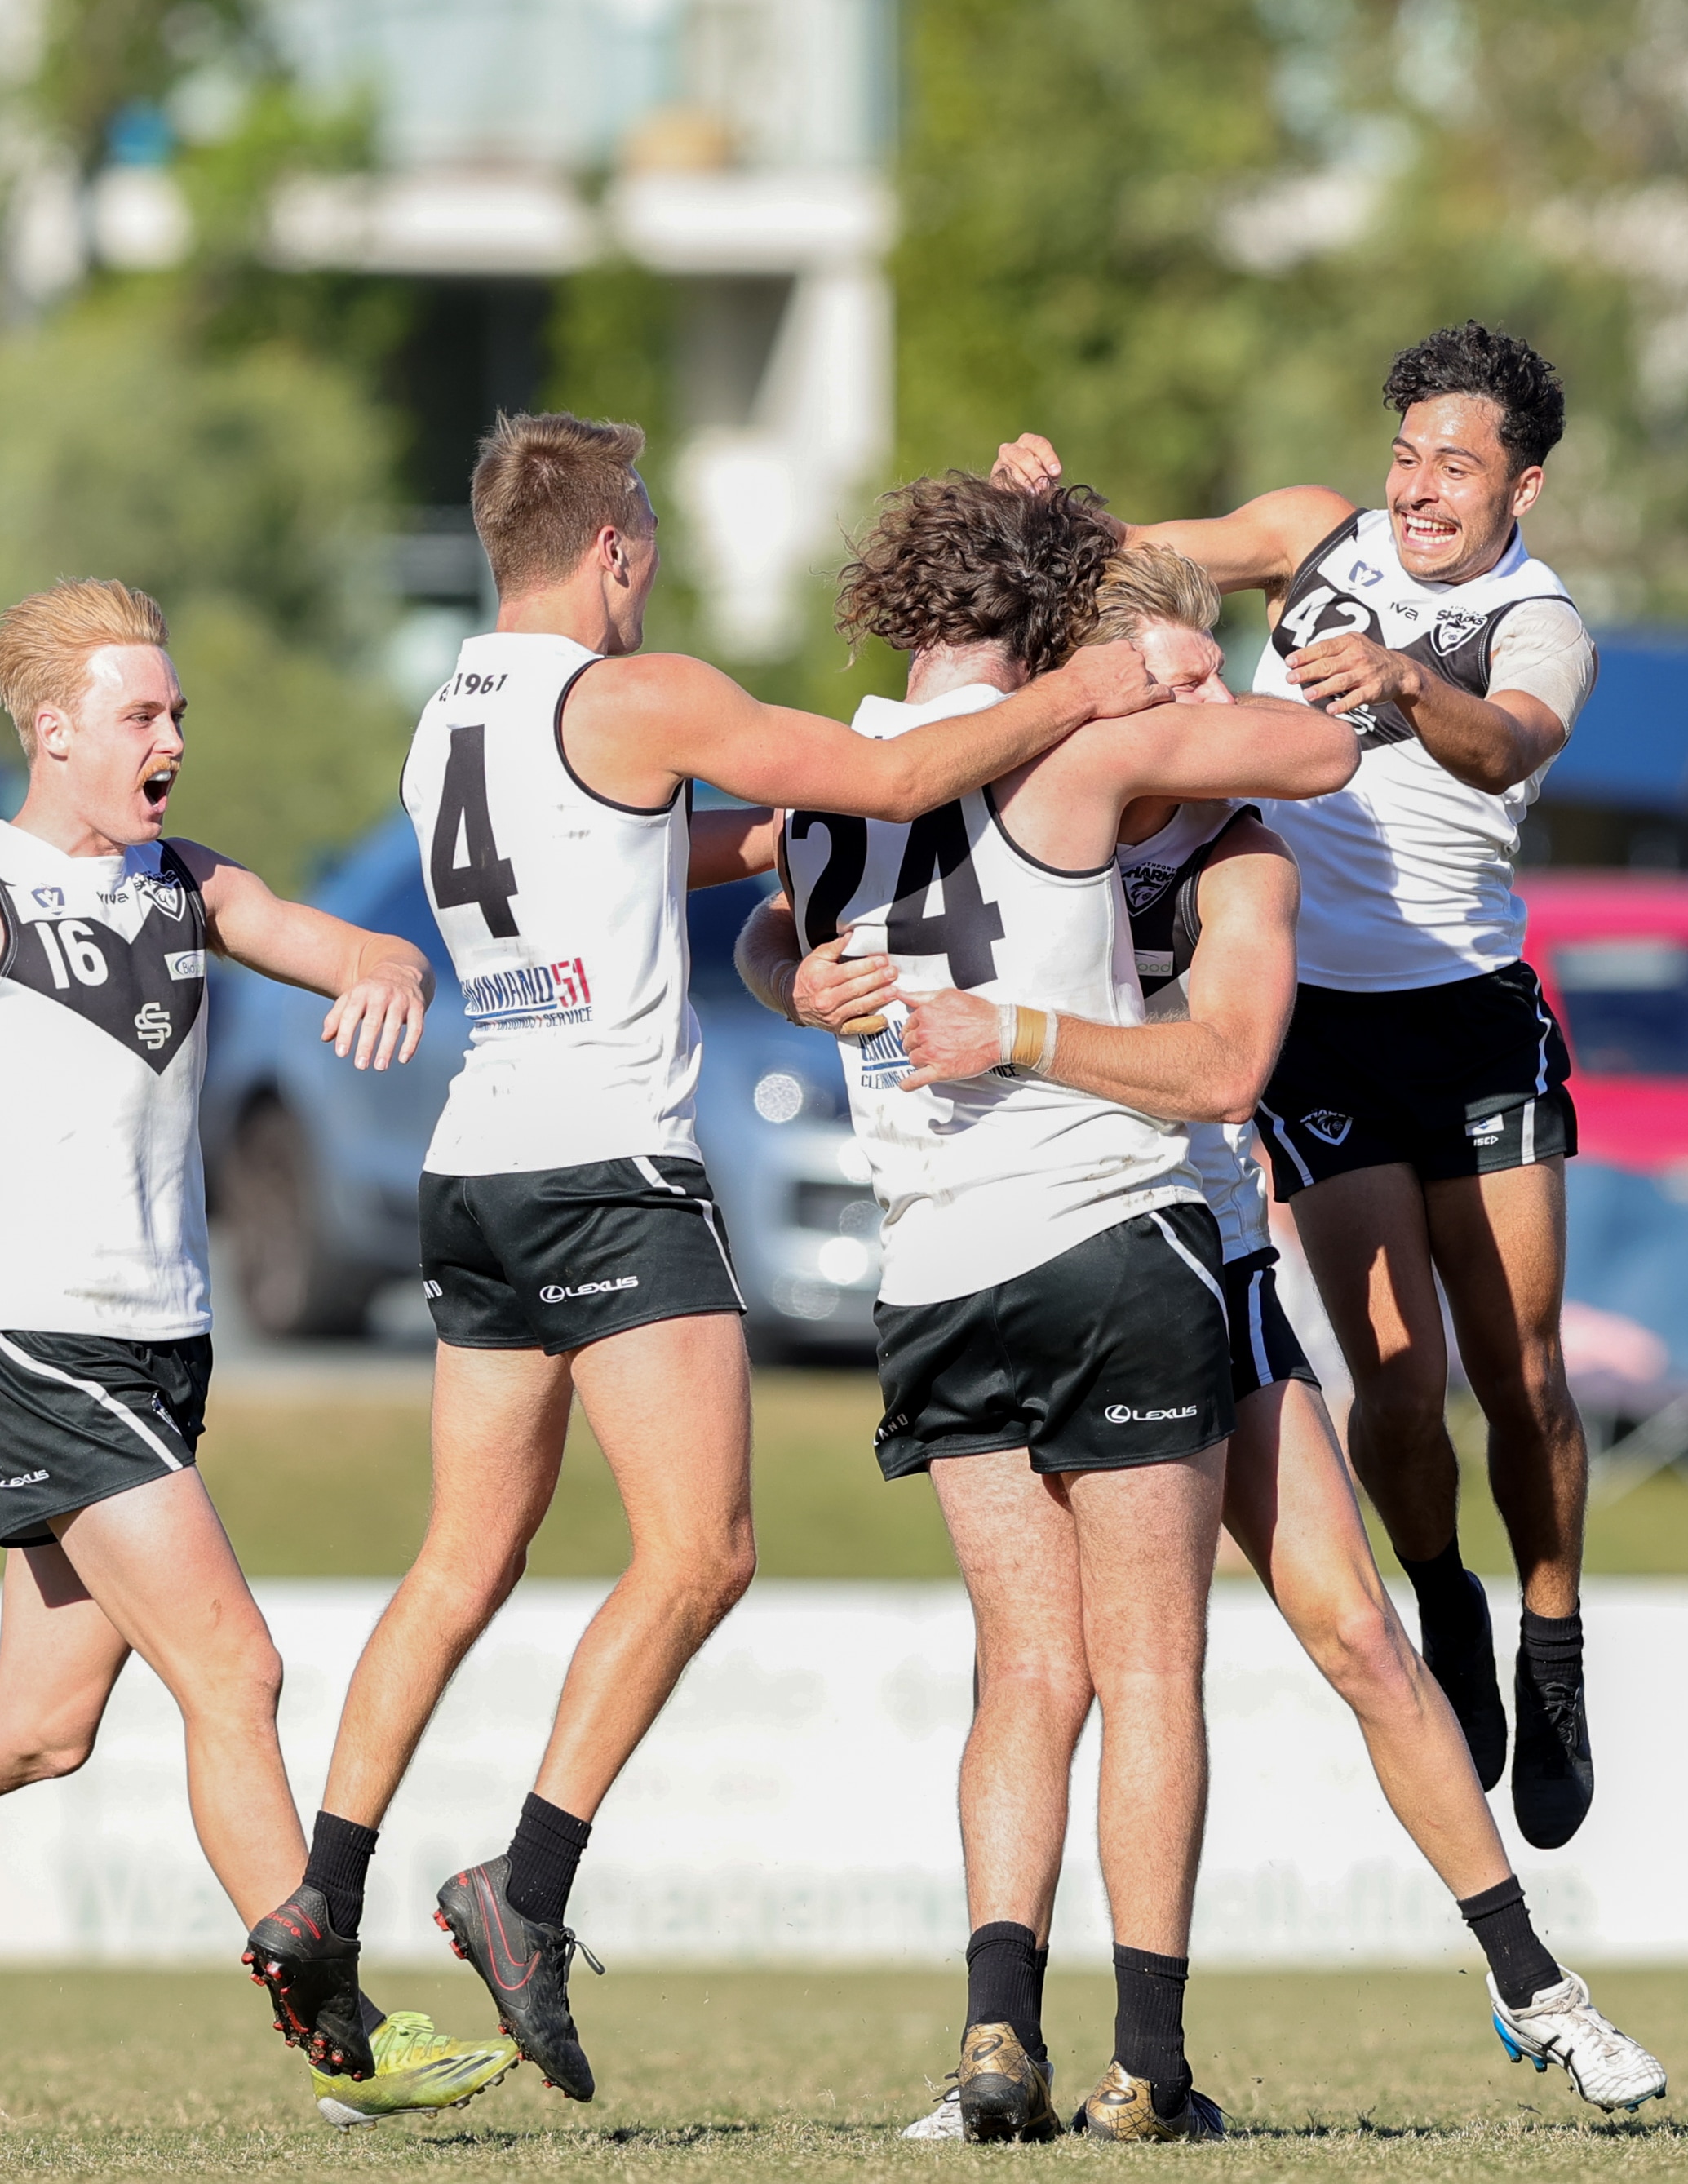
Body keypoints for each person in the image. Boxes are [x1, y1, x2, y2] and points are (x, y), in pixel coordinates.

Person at [246, 416, 1169, 2108]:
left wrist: (789, 846)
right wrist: (1085, 694)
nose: (650, 561)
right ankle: (523, 1887)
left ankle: (321, 1883)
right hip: (610, 1176)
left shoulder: (450, 709)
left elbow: (650, 850)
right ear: (612, 546)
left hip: (474, 1171)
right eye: (647, 533)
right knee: (701, 1549)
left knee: (462, 1553)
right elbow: (892, 774)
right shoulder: (640, 691)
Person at [0, 579, 516, 2125]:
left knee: (39, 1727)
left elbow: (337, 944)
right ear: (56, 733)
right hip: (45, 1344)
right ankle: (341, 2025)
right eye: (144, 714)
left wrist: (385, 967)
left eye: (178, 712)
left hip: (163, 1353)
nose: (173, 736)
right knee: (234, 1665)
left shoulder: (190, 881)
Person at [860, 544, 1665, 2129]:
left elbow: (1231, 1047)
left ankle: (1535, 1991)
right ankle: (1001, 2047)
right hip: (1026, 1263)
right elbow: (820, 884)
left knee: (1355, 1633)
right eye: (1174, 671)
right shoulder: (1017, 803)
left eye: (1213, 666)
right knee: (1040, 1666)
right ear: (1092, 682)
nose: (1206, 695)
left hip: (1203, 1264)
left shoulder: (1244, 847)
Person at [734, 476, 1359, 2142]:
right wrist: (1162, 681)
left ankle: (993, 2035)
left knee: (1023, 1668)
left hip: (932, 1266)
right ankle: (1146, 2061)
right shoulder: (1075, 742)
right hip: (1101, 1232)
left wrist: (792, 976)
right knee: (1152, 1666)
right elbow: (1321, 761)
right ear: (1048, 613)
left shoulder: (821, 782)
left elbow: (762, 931)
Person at [990, 322, 1605, 1851]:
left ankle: (1551, 1635)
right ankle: (1445, 1601)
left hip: (1471, 1018)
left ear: (1521, 483)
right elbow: (1112, 562)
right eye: (1407, 455)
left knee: (1518, 1365)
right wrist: (1036, 501)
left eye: (1454, 466)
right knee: (1396, 1384)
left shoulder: (1543, 624)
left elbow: (1503, 744)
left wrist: (1405, 679)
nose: (1417, 488)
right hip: (1316, 1020)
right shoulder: (1302, 533)